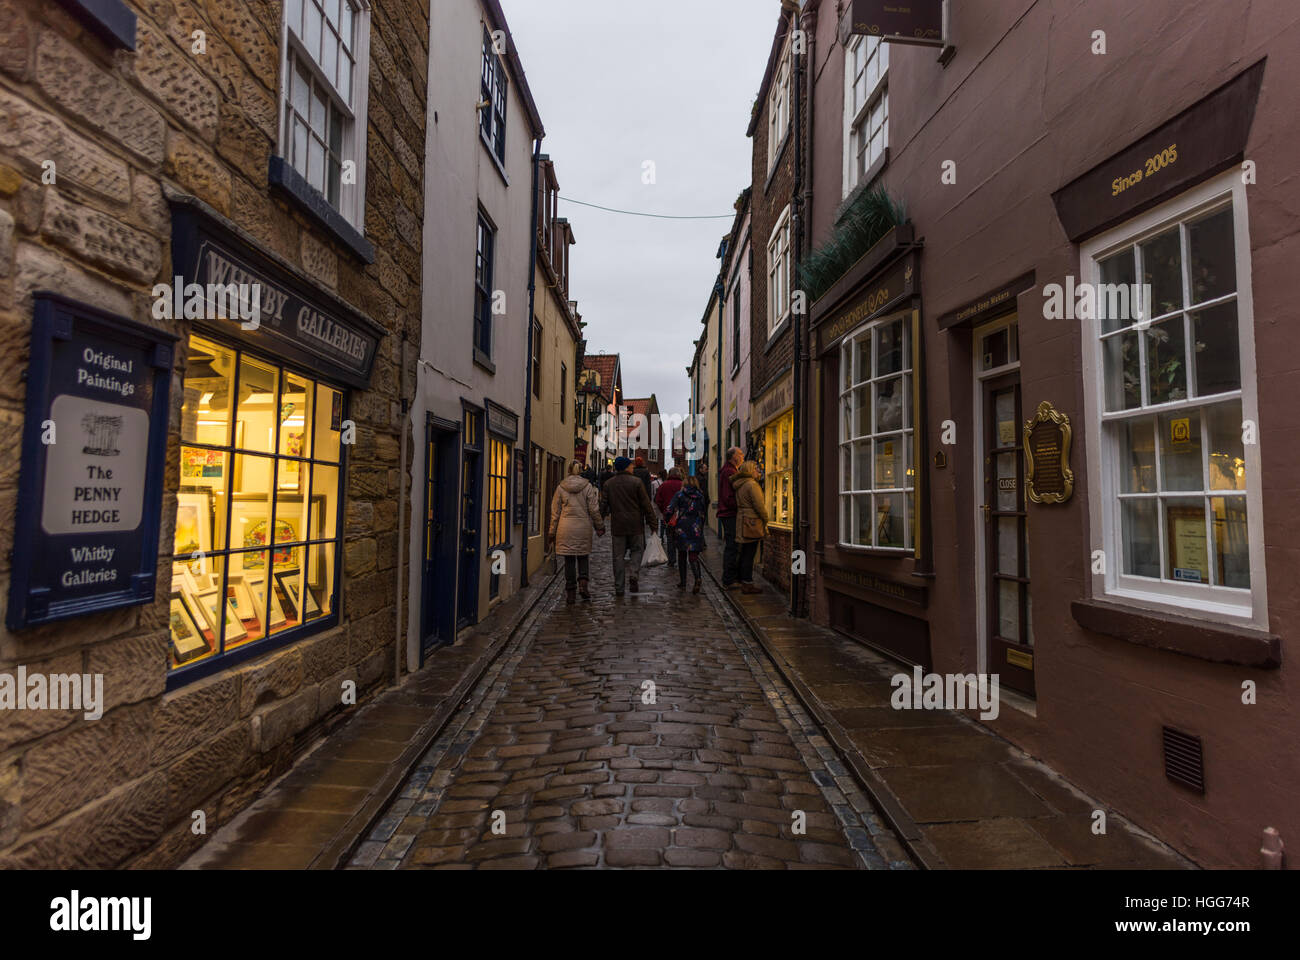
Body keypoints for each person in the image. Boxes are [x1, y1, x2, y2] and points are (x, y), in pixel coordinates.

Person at [599, 456, 657, 596]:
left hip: (618, 525)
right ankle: (633, 574)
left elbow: (603, 506)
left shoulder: (609, 484)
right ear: (625, 467)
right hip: (635, 524)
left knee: (618, 557)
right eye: (630, 466)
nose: (632, 467)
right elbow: (646, 505)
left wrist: (599, 524)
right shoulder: (636, 482)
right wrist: (653, 524)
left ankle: (619, 587)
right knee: (637, 550)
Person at [549, 461, 605, 604]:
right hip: (582, 526)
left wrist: (552, 532)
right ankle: (583, 585)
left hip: (565, 527)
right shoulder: (587, 487)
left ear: (568, 470)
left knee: (569, 560)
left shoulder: (561, 487)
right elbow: (594, 509)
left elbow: (555, 513)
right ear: (581, 471)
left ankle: (571, 593)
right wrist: (599, 526)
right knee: (582, 556)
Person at [666, 474, 708, 594]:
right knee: (693, 555)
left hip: (682, 527)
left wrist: (668, 519)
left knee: (682, 554)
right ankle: (697, 578)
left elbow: (670, 509)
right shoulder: (700, 496)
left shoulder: (679, 495)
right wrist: (700, 525)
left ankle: (683, 581)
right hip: (696, 527)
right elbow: (703, 512)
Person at [732, 460, 768, 595]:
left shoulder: (740, 484)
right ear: (750, 470)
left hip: (742, 519)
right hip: (751, 521)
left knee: (745, 552)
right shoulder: (752, 485)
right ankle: (747, 583)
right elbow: (759, 505)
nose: (758, 471)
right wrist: (766, 519)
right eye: (756, 469)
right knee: (750, 553)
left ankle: (742, 579)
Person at [717, 446, 744, 590]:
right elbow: (728, 497)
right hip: (729, 514)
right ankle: (728, 580)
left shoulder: (728, 470)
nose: (743, 455)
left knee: (731, 546)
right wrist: (741, 505)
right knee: (732, 547)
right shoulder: (729, 471)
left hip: (726, 513)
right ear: (733, 457)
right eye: (740, 454)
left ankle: (729, 578)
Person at [654, 467, 684, 551]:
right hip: (682, 516)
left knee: (670, 538)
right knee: (681, 538)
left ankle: (671, 560)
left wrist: (663, 510)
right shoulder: (683, 485)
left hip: (668, 516)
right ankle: (682, 561)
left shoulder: (664, 485)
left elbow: (658, 500)